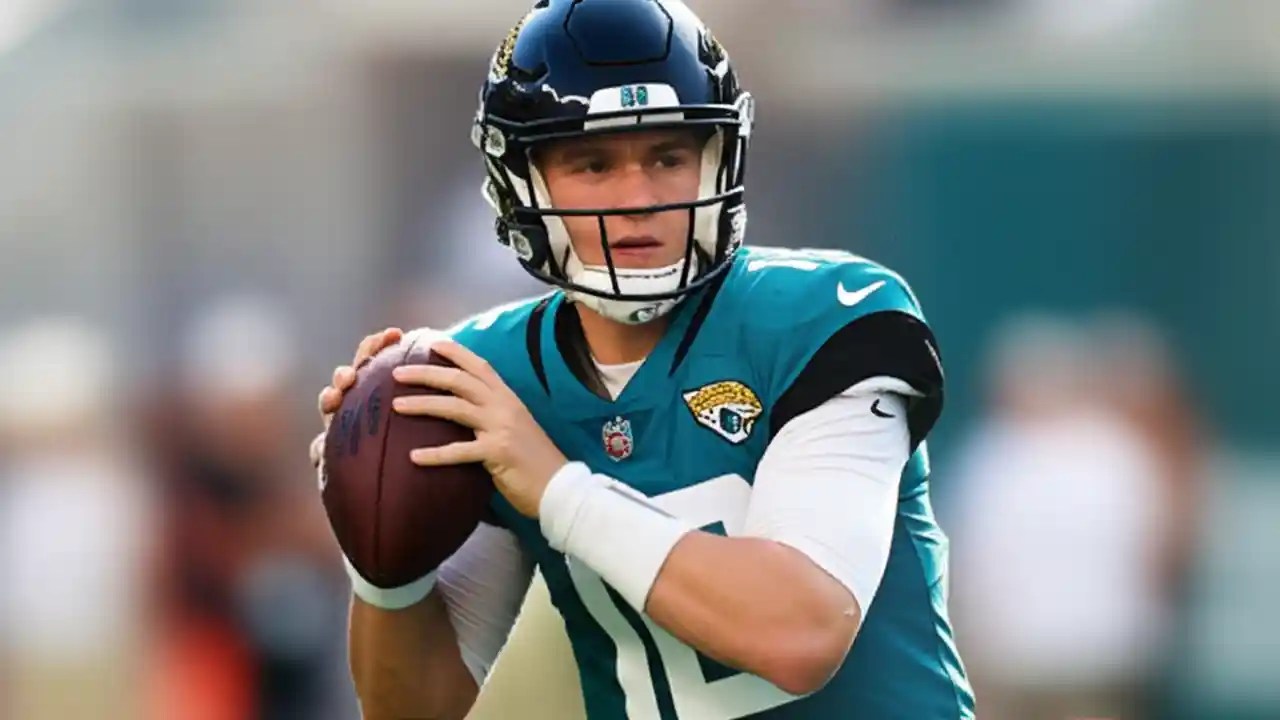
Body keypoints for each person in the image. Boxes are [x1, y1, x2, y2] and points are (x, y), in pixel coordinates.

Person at [313, 2, 974, 718]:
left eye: (668, 157)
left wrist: (558, 490)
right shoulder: (488, 374)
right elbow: (416, 710)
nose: (638, 198)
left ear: (717, 160)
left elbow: (801, 632)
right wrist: (379, 539)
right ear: (522, 182)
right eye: (593, 163)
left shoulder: (827, 317)